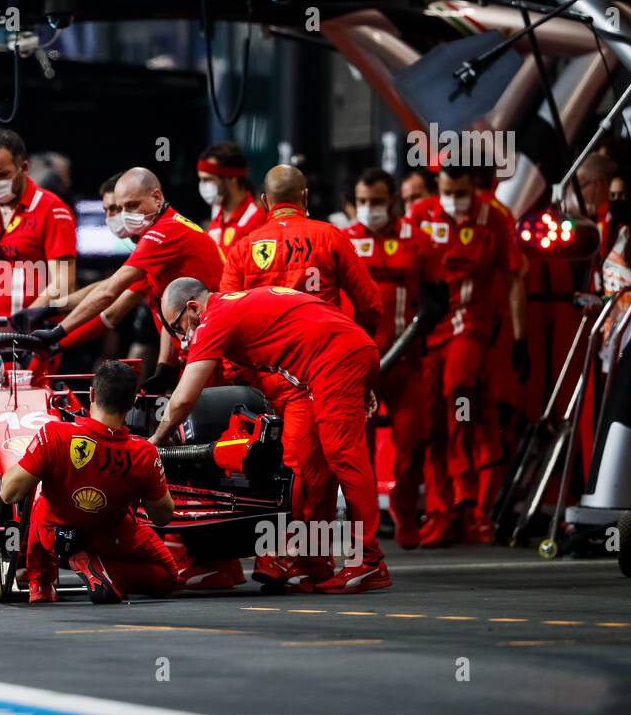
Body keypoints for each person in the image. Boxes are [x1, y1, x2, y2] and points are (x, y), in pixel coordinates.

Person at [151, 279, 390, 594]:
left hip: (334, 361)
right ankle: (313, 564)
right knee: (306, 467)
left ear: (193, 307)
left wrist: (156, 439)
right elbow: (320, 320)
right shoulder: (237, 306)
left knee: (344, 456)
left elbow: (183, 398)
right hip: (328, 363)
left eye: (178, 327)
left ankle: (370, 562)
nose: (182, 337)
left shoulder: (215, 318)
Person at [409, 162, 529, 546]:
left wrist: (520, 339)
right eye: (446, 191)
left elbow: (513, 279)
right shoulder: (421, 214)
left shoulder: (494, 218)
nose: (453, 200)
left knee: (459, 397)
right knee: (430, 422)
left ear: (474, 187)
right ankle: (445, 510)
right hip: (427, 332)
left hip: (472, 330)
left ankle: (471, 504)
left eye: (460, 193)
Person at [0, 360, 178, 604]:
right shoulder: (144, 453)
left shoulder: (54, 434)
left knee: (41, 499)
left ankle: (41, 582)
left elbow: (9, 493)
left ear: (92, 394)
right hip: (111, 536)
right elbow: (163, 516)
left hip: (57, 534)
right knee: (169, 576)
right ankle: (106, 573)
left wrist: (24, 461)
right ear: (132, 402)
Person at [35, 167, 224, 395]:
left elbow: (109, 294)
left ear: (156, 198)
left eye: (131, 206)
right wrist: (165, 367)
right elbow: (170, 314)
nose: (122, 216)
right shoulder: (165, 231)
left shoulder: (162, 234)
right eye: (119, 208)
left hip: (213, 344)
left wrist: (58, 333)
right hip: (201, 342)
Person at [348, 168, 447, 549]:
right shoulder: (344, 240)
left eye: (375, 202)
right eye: (362, 202)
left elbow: (439, 296)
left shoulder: (416, 239)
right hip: (357, 364)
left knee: (411, 443)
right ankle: (365, 528)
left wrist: (434, 306)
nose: (369, 209)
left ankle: (406, 517)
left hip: (404, 361)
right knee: (359, 449)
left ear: (392, 201)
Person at [220, 164, 383, 336]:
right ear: (305, 196)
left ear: (265, 201)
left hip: (265, 358)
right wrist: (357, 340)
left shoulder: (242, 249)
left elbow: (225, 315)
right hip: (323, 353)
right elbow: (370, 305)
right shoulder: (331, 236)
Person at [0, 129, 76, 320]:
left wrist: (23, 321)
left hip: (34, 334)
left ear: (24, 167)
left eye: (2, 175)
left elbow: (63, 284)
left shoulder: (53, 211)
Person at [198, 140, 265, 252]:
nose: (203, 185)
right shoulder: (217, 214)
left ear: (232, 179)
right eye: (201, 179)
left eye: (208, 180)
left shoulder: (257, 221)